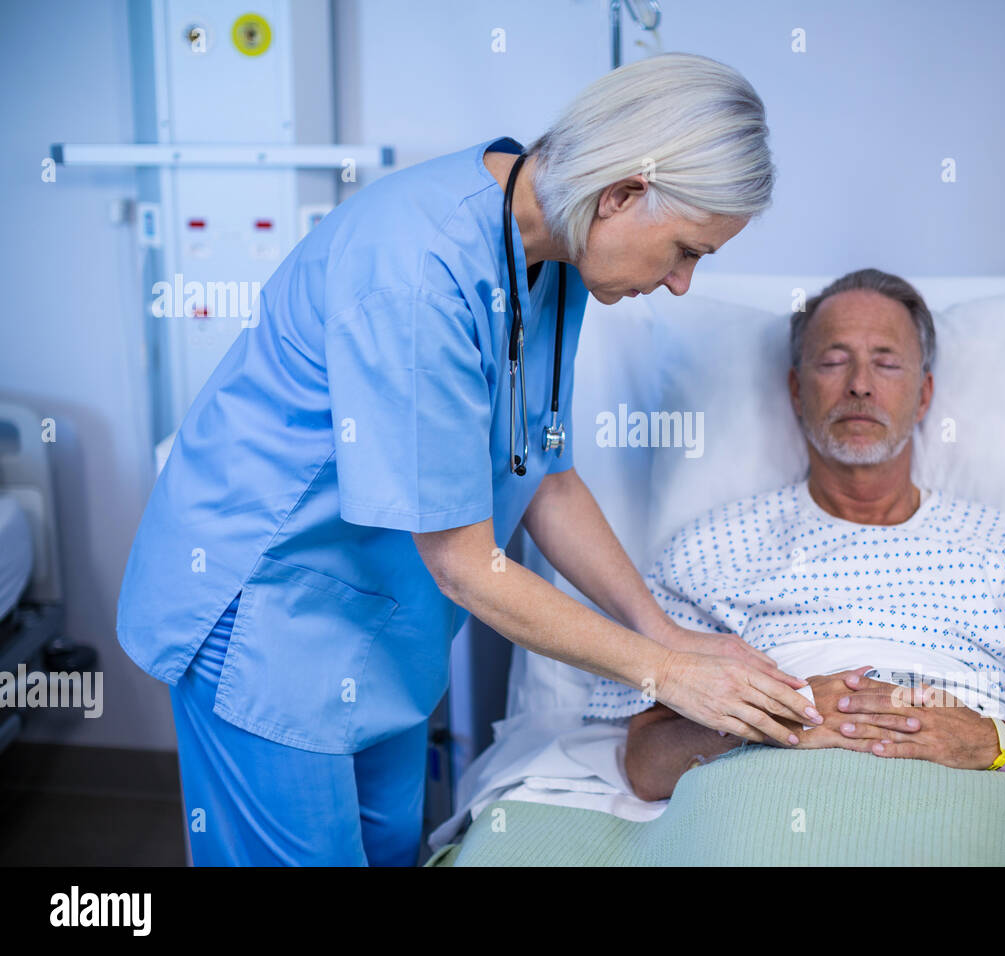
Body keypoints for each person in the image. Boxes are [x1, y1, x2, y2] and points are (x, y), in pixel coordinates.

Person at [115, 52, 819, 866]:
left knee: (385, 854)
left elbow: (545, 474)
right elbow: (465, 565)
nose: (683, 283)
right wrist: (665, 674)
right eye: (685, 250)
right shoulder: (417, 273)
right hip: (265, 618)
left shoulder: (553, 255)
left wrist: (663, 631)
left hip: (374, 630)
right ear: (623, 193)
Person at [584, 268, 1005, 809]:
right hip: (763, 810)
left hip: (969, 814)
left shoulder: (1004, 549)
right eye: (834, 361)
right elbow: (648, 765)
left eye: (886, 362)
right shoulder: (705, 552)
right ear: (796, 390)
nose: (860, 384)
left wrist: (991, 743)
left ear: (923, 394)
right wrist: (772, 721)